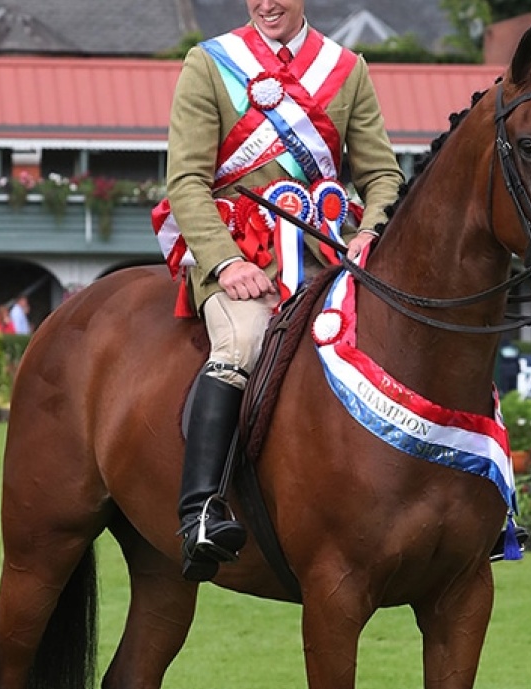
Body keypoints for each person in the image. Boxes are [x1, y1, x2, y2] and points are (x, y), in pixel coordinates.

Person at [158, 0, 404, 580]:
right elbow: (186, 179)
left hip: (326, 256)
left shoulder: (347, 68)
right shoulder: (210, 63)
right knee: (242, 341)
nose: (266, 2)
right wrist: (222, 264)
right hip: (239, 258)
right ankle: (201, 510)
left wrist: (369, 231)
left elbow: (382, 175)